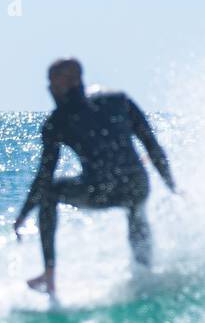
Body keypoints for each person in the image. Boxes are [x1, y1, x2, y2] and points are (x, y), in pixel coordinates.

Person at [13, 58, 176, 294]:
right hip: (138, 184)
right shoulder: (119, 100)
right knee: (136, 209)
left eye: (54, 84)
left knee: (51, 192)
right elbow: (153, 146)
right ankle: (145, 274)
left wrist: (24, 213)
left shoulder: (57, 122)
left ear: (73, 80)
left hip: (100, 190)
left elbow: (44, 177)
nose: (49, 90)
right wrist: (172, 185)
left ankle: (49, 274)